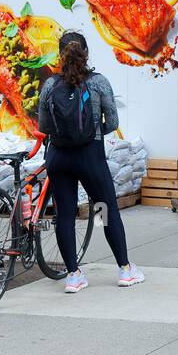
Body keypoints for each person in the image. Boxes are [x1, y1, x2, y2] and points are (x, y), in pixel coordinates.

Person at [37, 32, 143, 293]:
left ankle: (73, 275)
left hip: (59, 158)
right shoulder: (98, 83)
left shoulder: (50, 85)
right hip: (90, 158)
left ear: (59, 55)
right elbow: (114, 122)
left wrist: (65, 135)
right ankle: (125, 270)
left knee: (65, 215)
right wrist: (91, 131)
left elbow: (43, 125)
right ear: (86, 53)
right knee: (105, 211)